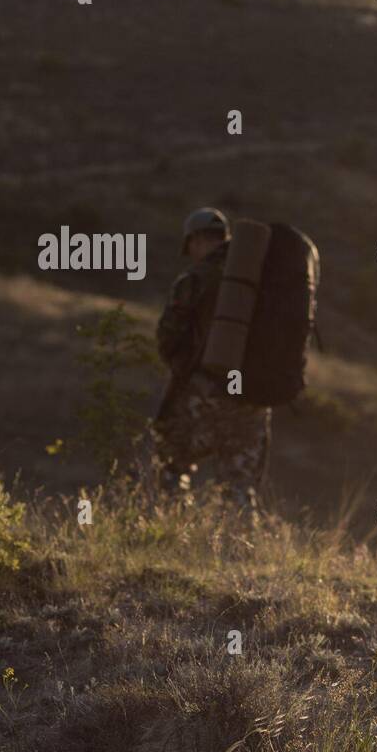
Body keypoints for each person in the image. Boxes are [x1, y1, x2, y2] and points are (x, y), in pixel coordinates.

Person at [153, 207, 271, 520]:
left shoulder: (195, 278)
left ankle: (173, 533)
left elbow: (168, 336)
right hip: (255, 396)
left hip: (204, 392)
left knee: (171, 464)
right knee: (240, 484)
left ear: (196, 240)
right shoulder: (261, 278)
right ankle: (241, 551)